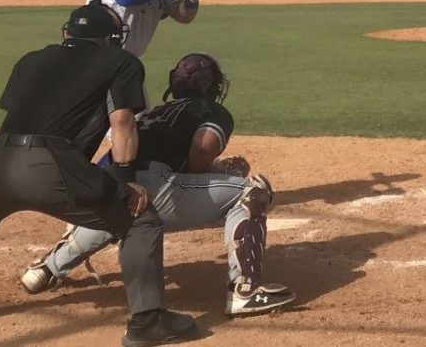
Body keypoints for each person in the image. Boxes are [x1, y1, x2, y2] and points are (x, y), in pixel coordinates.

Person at [0, 0, 200, 346]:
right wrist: (124, 181)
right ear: (109, 38)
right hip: (50, 166)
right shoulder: (121, 61)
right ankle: (147, 322)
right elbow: (122, 122)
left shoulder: (30, 60)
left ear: (68, 33)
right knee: (139, 218)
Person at [20, 53, 297, 317]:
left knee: (120, 209)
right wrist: (220, 169)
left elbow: (114, 158)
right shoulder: (212, 110)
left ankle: (46, 270)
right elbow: (202, 150)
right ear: (209, 85)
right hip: (158, 188)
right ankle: (244, 289)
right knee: (253, 191)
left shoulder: (153, 115)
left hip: (112, 181)